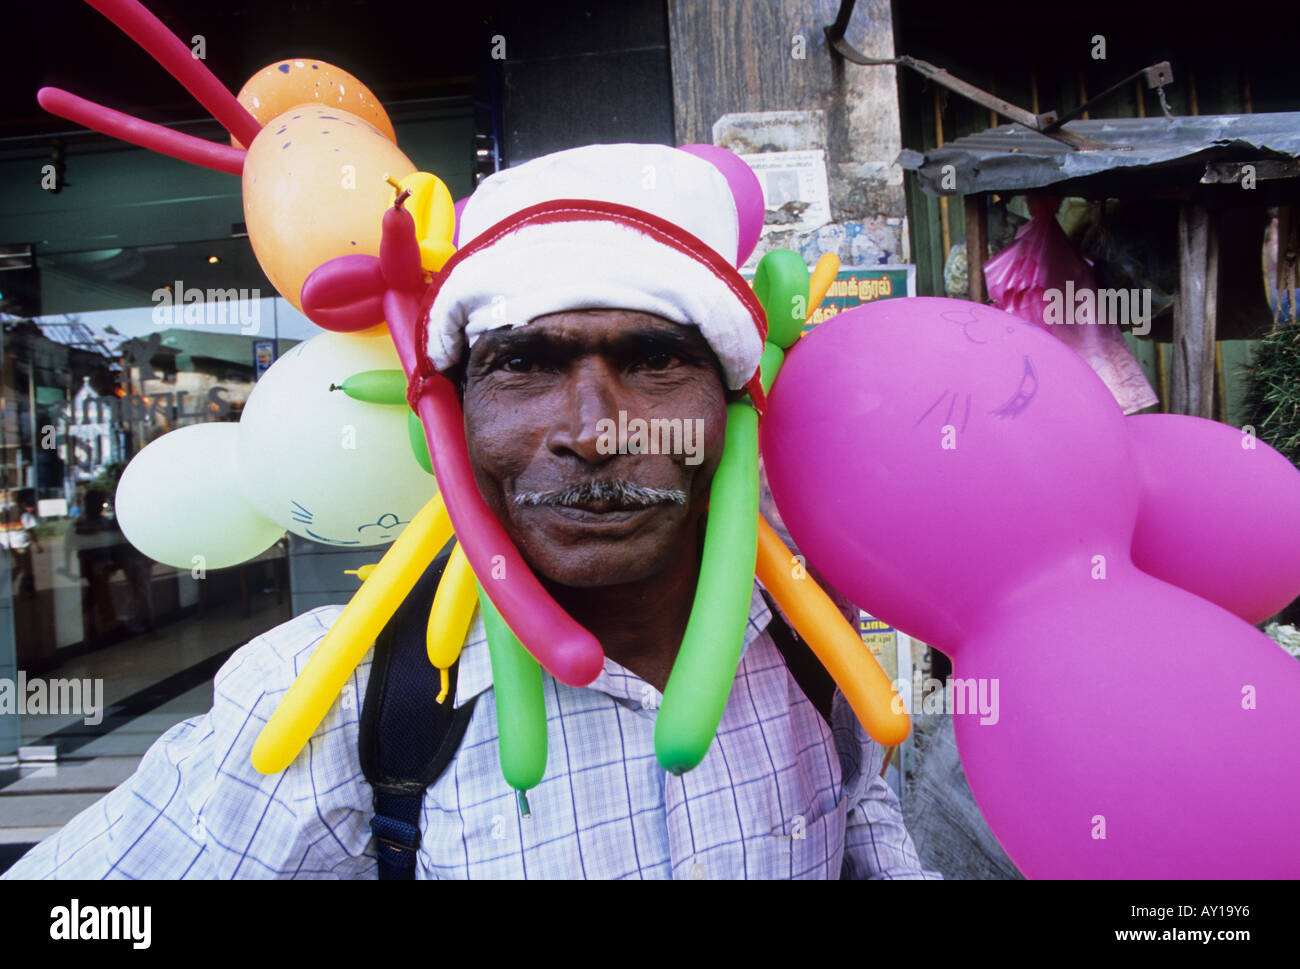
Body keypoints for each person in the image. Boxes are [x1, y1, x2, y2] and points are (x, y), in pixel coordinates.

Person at [3, 144, 938, 880]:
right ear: (452, 415)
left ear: (732, 407)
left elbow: (860, 815)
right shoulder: (332, 702)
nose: (591, 431)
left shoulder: (813, 643)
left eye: (656, 360)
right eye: (523, 364)